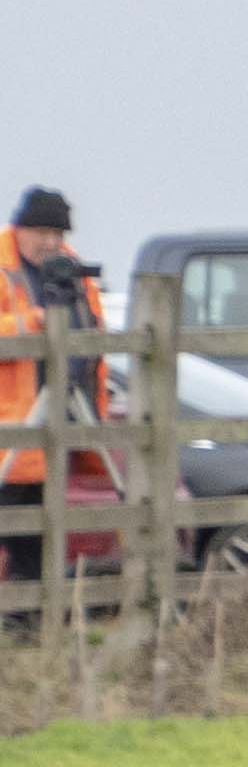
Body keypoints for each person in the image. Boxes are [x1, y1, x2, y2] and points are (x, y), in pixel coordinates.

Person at [0, 188, 114, 572]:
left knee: (40, 534)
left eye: (58, 234)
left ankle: (32, 621)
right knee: (17, 523)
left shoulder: (71, 270)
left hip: (60, 417)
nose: (51, 243)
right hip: (10, 427)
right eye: (42, 232)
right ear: (20, 229)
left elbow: (93, 337)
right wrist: (35, 322)